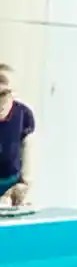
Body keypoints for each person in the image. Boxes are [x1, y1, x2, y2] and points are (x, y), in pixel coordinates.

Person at [0, 64, 35, 206]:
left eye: (4, 95)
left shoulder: (23, 114)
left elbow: (29, 149)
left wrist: (25, 183)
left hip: (12, 184)